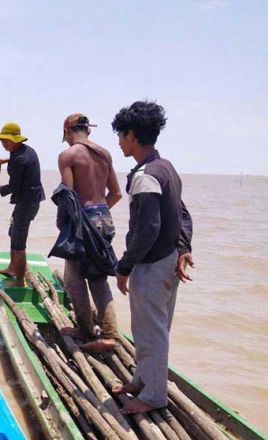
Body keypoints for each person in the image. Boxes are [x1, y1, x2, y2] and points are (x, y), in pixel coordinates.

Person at [109, 101, 194, 415]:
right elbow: (183, 215)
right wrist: (184, 249)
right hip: (169, 259)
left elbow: (147, 229)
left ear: (132, 135)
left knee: (151, 330)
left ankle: (155, 395)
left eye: (121, 135)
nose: (119, 142)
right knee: (151, 327)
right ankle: (142, 379)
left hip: (152, 264)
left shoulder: (146, 175)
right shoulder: (166, 167)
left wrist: (124, 266)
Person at [54, 113, 122, 353]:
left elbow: (69, 196)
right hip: (104, 215)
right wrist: (97, 215)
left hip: (82, 218)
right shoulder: (105, 154)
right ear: (88, 130)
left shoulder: (68, 155)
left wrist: (78, 223)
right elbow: (115, 193)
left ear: (67, 131)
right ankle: (104, 331)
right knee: (98, 275)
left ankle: (95, 331)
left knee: (75, 277)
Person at [0, 122, 45, 287]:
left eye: (7, 140)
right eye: (2, 141)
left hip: (26, 202)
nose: (4, 144)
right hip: (30, 199)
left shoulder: (19, 159)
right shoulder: (23, 150)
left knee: (19, 242)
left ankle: (20, 281)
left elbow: (14, 187)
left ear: (16, 139)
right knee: (13, 233)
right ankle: (12, 268)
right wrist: (5, 160)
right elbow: (18, 160)